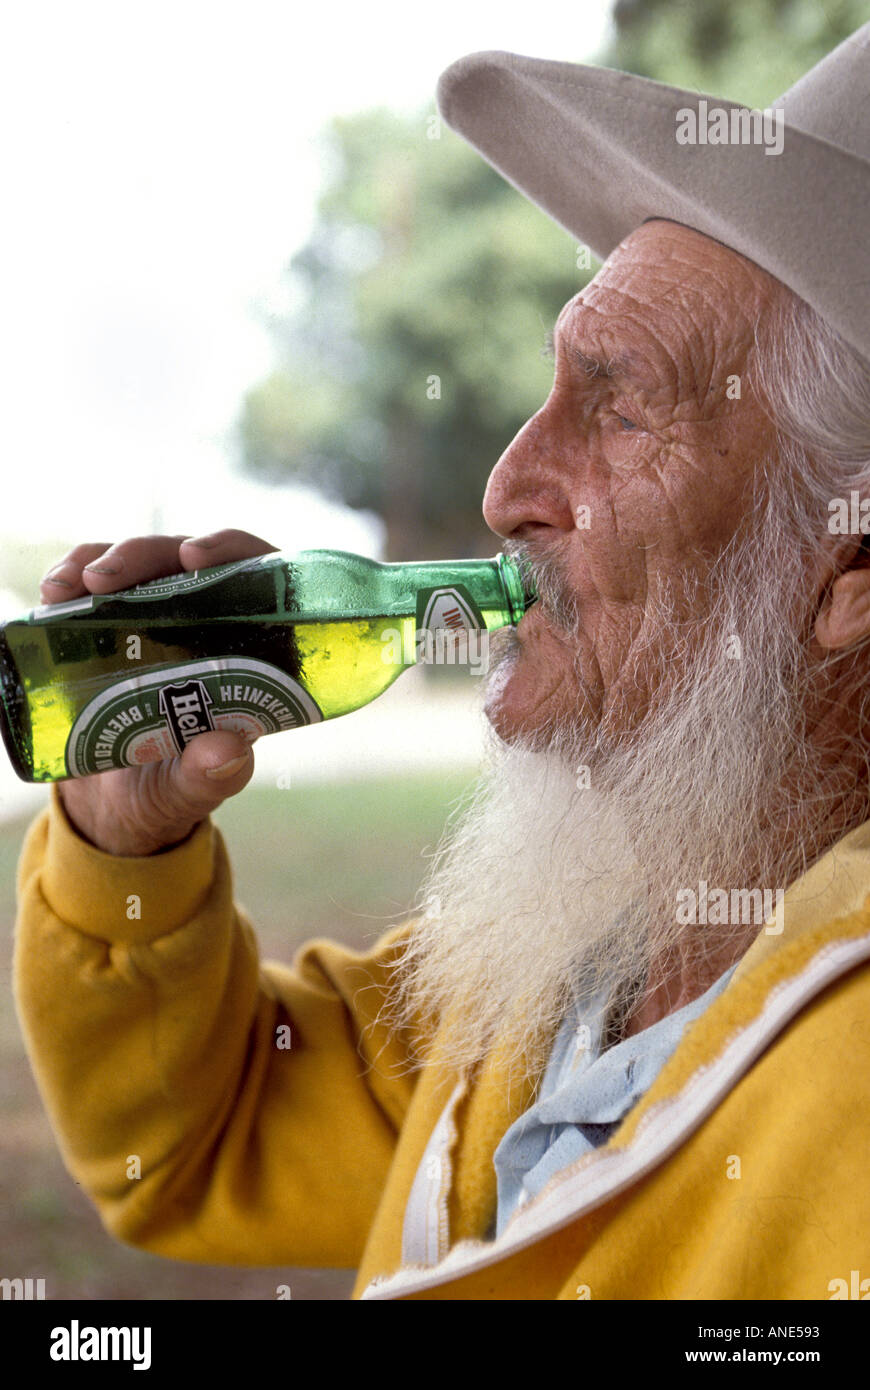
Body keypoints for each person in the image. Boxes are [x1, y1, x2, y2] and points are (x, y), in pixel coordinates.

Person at [12, 25, 870, 1300]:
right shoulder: (588, 955)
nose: (509, 485)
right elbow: (192, 1144)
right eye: (554, 392)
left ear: (845, 577)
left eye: (620, 409)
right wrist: (126, 846)